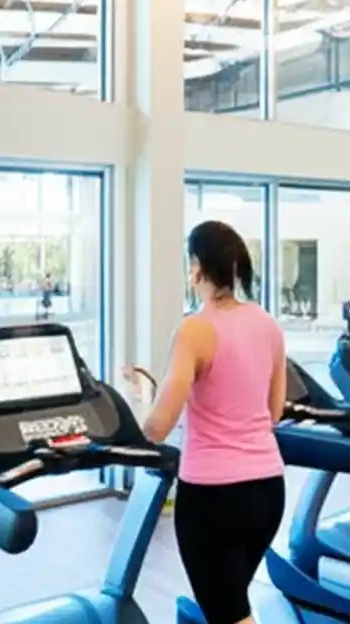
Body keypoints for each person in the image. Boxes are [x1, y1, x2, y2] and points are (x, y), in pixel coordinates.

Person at [133, 220, 286, 624]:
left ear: (197, 267)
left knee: (232, 615)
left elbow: (156, 428)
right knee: (229, 605)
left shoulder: (194, 330)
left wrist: (144, 397)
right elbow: (274, 412)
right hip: (269, 493)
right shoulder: (267, 324)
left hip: (215, 501)